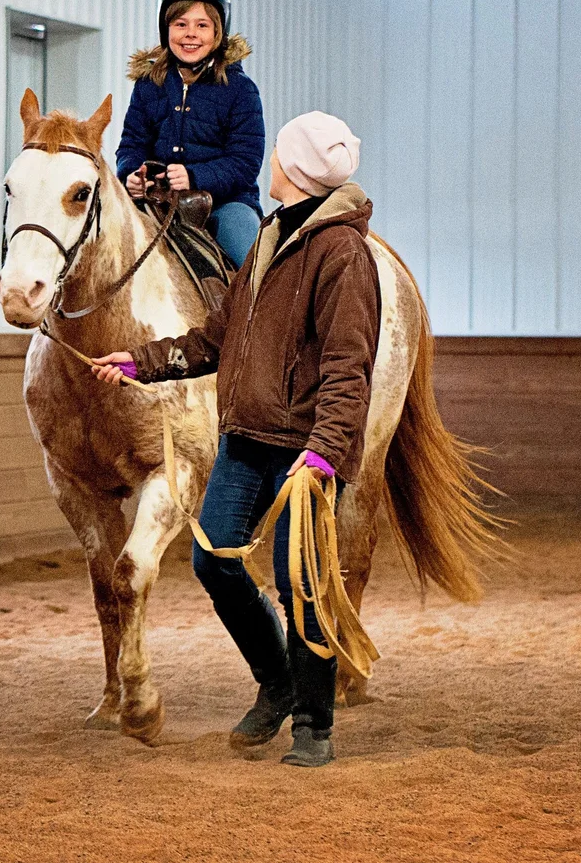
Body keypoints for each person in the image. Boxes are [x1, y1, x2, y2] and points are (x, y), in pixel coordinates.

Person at [93, 111, 381, 767]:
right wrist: (141, 362)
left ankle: (313, 723)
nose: (269, 163)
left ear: (297, 170)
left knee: (298, 578)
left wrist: (324, 453)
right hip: (247, 438)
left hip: (305, 451)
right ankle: (277, 680)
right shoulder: (269, 239)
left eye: (278, 153)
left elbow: (347, 369)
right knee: (212, 559)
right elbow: (216, 338)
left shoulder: (343, 256)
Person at [116, 0, 266, 267]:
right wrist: (131, 175)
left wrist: (195, 177)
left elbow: (245, 162)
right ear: (165, 28)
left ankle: (265, 310)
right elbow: (131, 144)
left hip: (223, 205)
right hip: (156, 201)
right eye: (180, 24)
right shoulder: (148, 86)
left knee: (254, 266)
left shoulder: (240, 89)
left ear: (218, 31)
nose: (190, 34)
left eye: (202, 25)